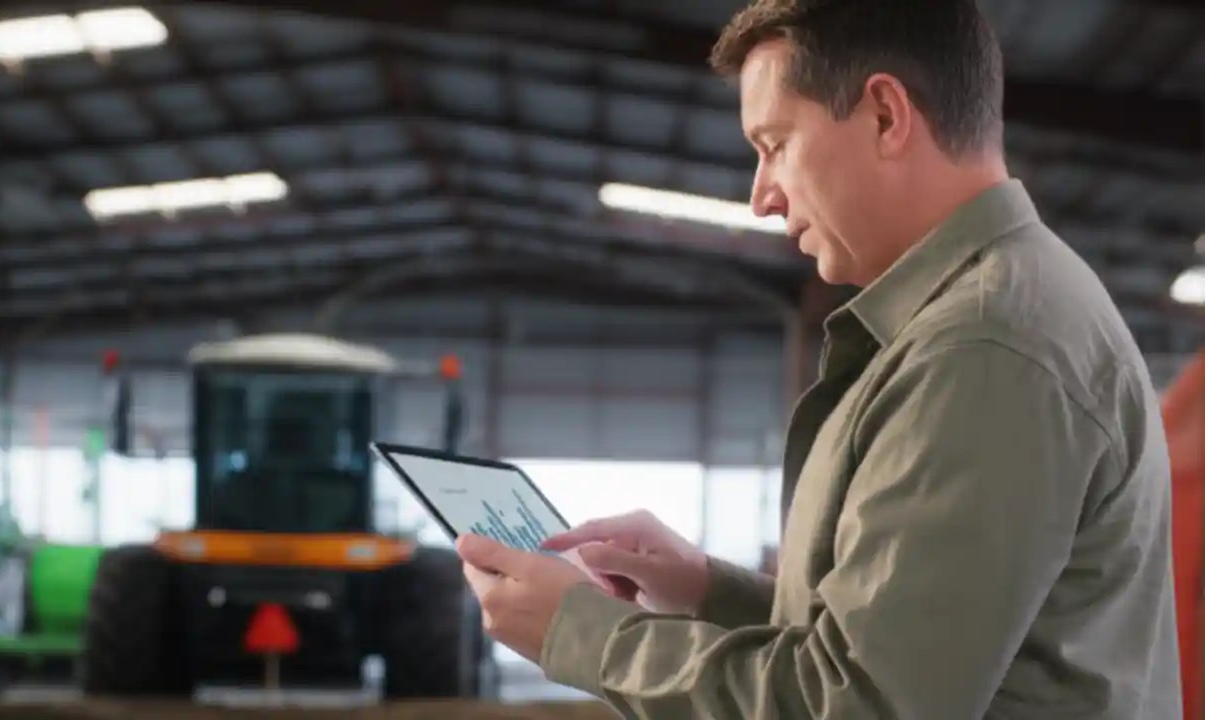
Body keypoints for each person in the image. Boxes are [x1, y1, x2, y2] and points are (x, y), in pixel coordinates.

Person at [454, 0, 1183, 717]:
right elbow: (902, 649)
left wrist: (583, 633)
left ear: (885, 116)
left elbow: (861, 704)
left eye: (774, 144)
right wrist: (704, 589)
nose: (762, 196)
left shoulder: (983, 347)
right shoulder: (993, 314)